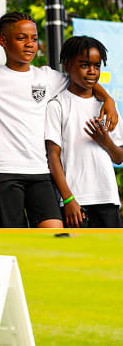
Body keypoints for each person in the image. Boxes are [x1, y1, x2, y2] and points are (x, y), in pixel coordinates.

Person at [0, 12, 118, 227]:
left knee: (54, 230)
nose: (30, 44)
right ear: (3, 41)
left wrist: (108, 99)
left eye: (34, 38)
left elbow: (85, 79)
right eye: (21, 38)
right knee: (15, 238)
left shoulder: (48, 77)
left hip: (40, 172)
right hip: (3, 172)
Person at [45, 36, 123, 227]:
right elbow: (53, 157)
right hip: (76, 201)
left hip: (107, 198)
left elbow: (119, 157)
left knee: (111, 257)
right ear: (68, 65)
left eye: (97, 66)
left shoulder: (107, 107)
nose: (92, 72)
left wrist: (106, 142)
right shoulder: (57, 105)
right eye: (84, 65)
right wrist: (68, 199)